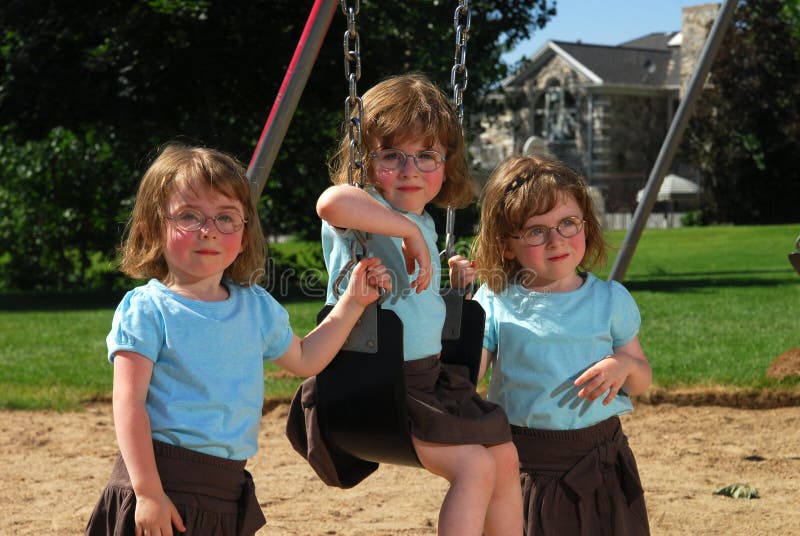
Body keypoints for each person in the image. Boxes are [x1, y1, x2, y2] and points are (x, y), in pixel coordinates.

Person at [85, 143, 391, 536]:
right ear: (151, 229)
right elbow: (129, 406)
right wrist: (147, 493)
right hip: (161, 482)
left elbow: (305, 358)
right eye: (189, 216)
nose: (209, 230)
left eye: (226, 218)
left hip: (226, 487)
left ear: (244, 236)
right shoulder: (147, 309)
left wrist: (351, 303)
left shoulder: (255, 307)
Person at [314, 73, 523, 535]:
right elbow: (330, 202)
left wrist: (454, 294)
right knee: (474, 467)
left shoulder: (425, 221)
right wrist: (404, 232)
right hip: (375, 388)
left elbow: (413, 304)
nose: (410, 170)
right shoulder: (364, 208)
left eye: (426, 156)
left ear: (446, 164)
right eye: (391, 155)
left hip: (430, 384)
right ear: (363, 162)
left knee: (504, 457)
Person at [472, 154, 652, 535]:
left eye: (568, 223)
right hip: (526, 464)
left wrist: (623, 365)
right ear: (506, 244)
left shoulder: (609, 299)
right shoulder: (495, 300)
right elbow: (467, 375)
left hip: (601, 461)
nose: (557, 240)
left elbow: (640, 379)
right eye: (536, 231)